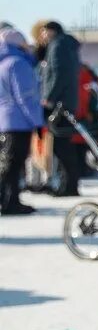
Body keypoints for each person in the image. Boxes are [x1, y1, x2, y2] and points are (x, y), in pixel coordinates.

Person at [36, 20, 84, 196]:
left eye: (44, 32)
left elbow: (58, 73)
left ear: (51, 31)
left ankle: (68, 186)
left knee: (61, 147)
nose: (42, 36)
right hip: (67, 101)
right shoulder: (69, 46)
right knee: (64, 146)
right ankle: (68, 185)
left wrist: (49, 97)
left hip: (59, 104)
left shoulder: (58, 46)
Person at [0, 27, 44, 215]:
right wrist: (38, 122)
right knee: (14, 164)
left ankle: (8, 199)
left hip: (5, 120)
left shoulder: (3, 63)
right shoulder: (18, 64)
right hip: (18, 121)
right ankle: (11, 202)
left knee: (8, 164)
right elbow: (26, 97)